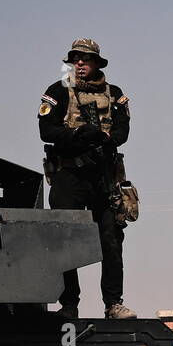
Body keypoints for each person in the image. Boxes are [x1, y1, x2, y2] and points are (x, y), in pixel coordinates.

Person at [38, 38, 136, 319]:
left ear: (96, 63)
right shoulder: (57, 91)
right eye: (75, 58)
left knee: (111, 239)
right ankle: (69, 305)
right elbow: (47, 130)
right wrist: (76, 136)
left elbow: (122, 132)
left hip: (102, 177)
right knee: (65, 239)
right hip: (69, 176)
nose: (79, 63)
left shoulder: (114, 94)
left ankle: (113, 303)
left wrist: (104, 140)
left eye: (85, 58)